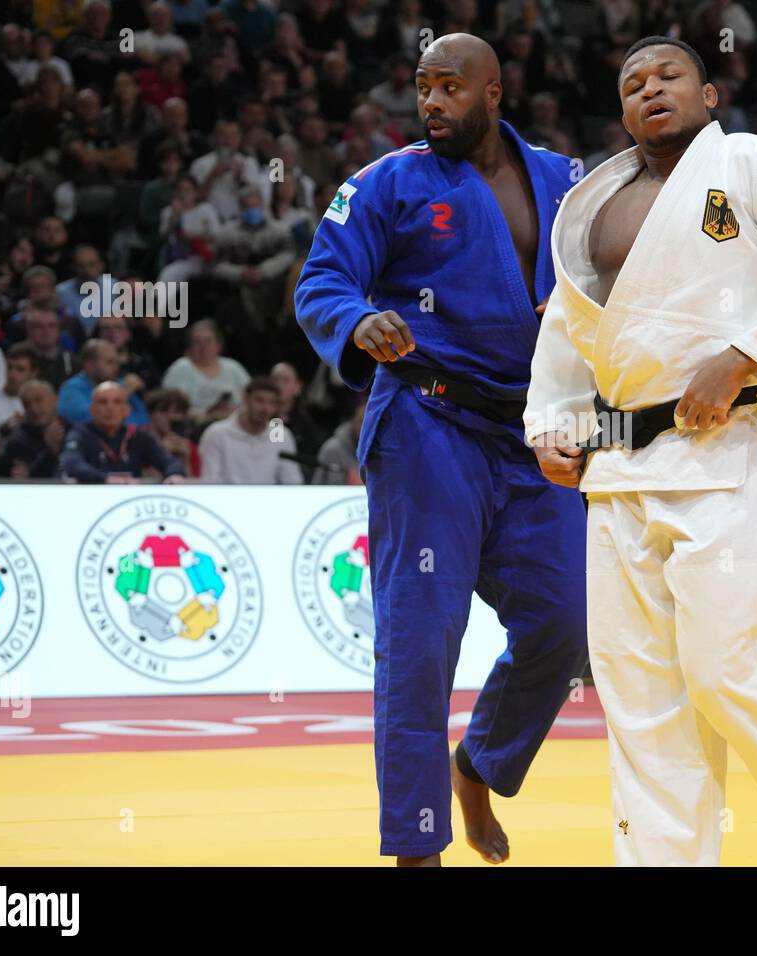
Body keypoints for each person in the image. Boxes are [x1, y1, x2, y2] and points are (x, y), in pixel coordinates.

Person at [525, 36, 757, 867]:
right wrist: (553, 425)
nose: (651, 90)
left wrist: (746, 356)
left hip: (726, 455)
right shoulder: (591, 203)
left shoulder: (755, 166)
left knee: (731, 668)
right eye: (633, 84)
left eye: (669, 76)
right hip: (617, 472)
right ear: (620, 112)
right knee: (643, 704)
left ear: (710, 94)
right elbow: (568, 332)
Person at [295, 33, 588, 867]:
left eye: (449, 87)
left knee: (565, 626)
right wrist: (357, 320)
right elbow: (322, 281)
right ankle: (416, 845)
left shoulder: (569, 184)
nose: (430, 103)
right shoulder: (387, 182)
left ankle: (481, 763)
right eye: (421, 88)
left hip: (533, 436)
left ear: (494, 93)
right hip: (428, 428)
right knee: (420, 647)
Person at [59, 381, 184, 483]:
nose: (110, 408)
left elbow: (169, 462)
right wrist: (105, 480)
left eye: (117, 402)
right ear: (92, 409)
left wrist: (174, 474)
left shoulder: (138, 435)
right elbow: (71, 464)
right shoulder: (80, 434)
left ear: (126, 410)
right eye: (103, 402)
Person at [197, 377, 303, 484]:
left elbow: (292, 481)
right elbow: (210, 482)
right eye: (259, 400)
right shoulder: (216, 434)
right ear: (245, 398)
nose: (265, 409)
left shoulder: (281, 434)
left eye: (271, 403)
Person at [0, 380, 67, 479]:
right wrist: (50, 452)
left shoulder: (76, 432)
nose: (34, 409)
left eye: (39, 400)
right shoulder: (16, 443)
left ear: (55, 399)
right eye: (26, 404)